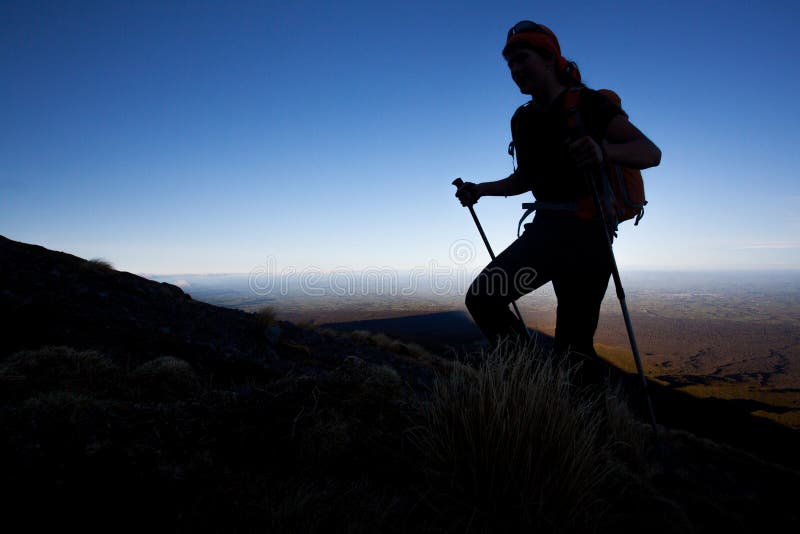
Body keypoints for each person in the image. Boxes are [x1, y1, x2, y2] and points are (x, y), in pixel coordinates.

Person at [456, 20, 661, 361]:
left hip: (588, 236)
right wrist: (480, 190)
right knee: (482, 298)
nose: (515, 70)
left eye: (522, 59)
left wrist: (603, 150)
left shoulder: (588, 104)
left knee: (573, 347)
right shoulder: (522, 120)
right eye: (510, 64)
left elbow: (649, 152)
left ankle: (579, 410)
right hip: (547, 232)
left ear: (549, 58)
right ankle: (533, 384)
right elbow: (524, 179)